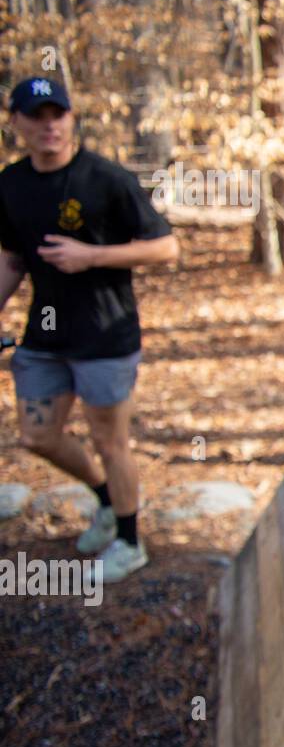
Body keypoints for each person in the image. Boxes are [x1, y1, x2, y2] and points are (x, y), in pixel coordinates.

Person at [0, 77, 179, 582]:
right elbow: (14, 259)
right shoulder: (10, 185)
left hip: (105, 335)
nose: (48, 126)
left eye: (57, 114)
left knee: (110, 439)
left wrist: (92, 256)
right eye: (35, 116)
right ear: (16, 123)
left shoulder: (105, 178)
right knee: (37, 436)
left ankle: (129, 540)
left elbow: (166, 247)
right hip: (45, 337)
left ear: (72, 118)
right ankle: (105, 499)